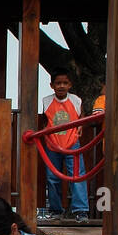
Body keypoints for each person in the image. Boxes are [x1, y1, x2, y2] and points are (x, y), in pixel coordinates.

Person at [38, 70, 89, 222]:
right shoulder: (47, 101)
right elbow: (44, 120)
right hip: (53, 144)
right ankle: (55, 210)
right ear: (52, 85)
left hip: (72, 143)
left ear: (70, 85)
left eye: (65, 83)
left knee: (77, 176)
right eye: (58, 83)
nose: (61, 86)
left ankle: (81, 210)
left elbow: (81, 116)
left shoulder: (75, 100)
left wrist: (81, 126)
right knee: (53, 178)